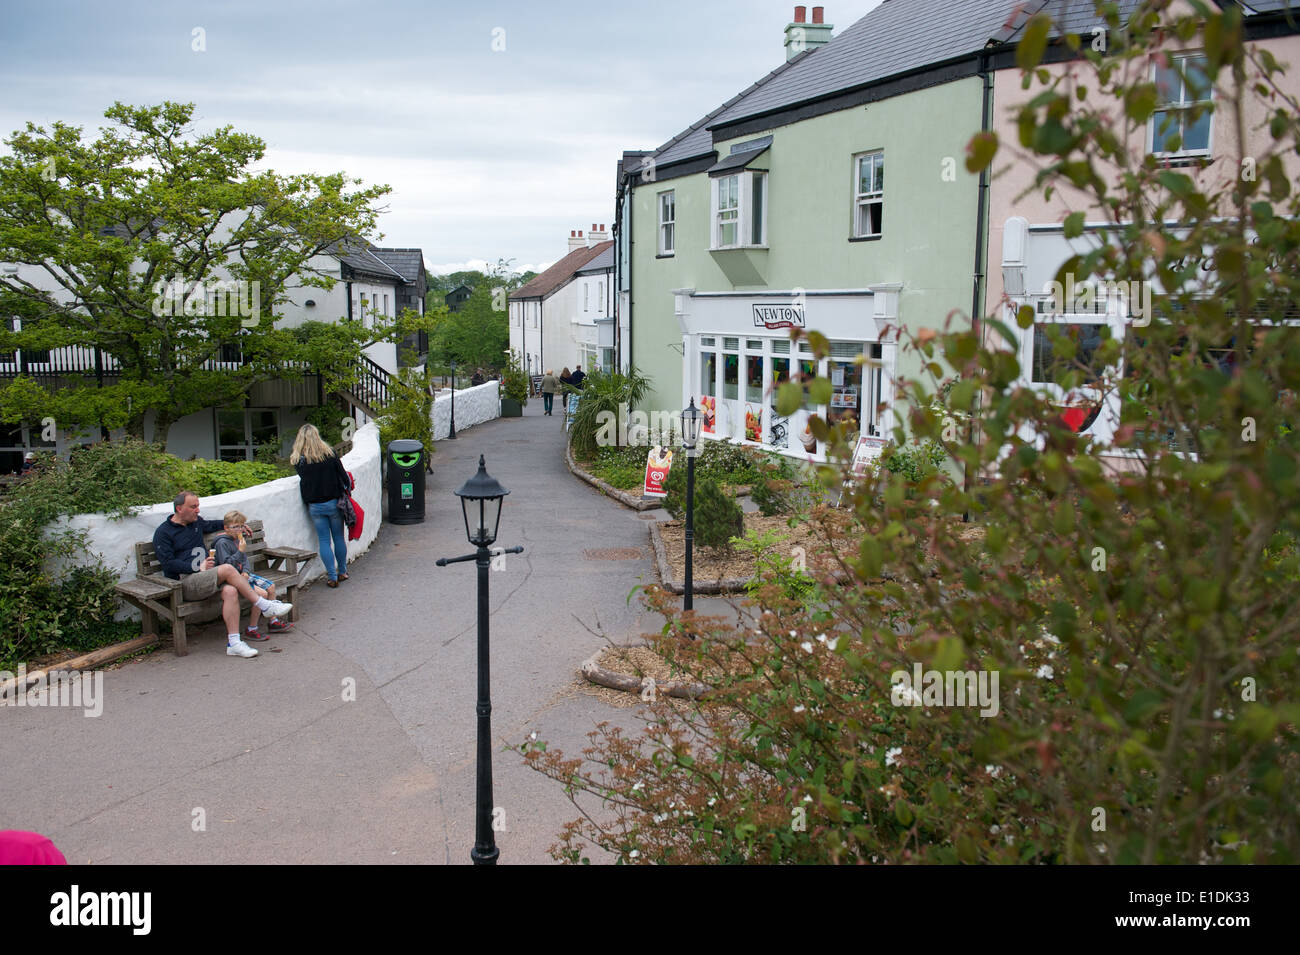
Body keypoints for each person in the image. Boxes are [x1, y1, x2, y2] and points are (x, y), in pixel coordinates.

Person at [153, 491, 293, 659]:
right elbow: (168, 563)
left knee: (230, 591)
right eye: (193, 507)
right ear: (179, 508)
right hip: (185, 582)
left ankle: (234, 644)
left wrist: (240, 525)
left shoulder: (195, 523)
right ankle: (264, 605)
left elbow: (215, 524)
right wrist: (197, 568)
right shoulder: (164, 532)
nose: (198, 510)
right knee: (226, 568)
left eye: (198, 506)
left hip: (206, 578)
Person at [213, 509, 293, 642]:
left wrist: (246, 571)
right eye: (235, 527)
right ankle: (251, 629)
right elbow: (226, 564)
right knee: (262, 594)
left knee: (271, 587)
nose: (239, 530)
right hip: (231, 579)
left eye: (241, 526)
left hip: (243, 575)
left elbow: (244, 560)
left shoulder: (238, 539)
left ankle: (273, 622)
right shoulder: (222, 543)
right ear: (226, 528)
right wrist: (240, 551)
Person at [291, 423, 350, 588]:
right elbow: (344, 477)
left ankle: (332, 576)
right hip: (333, 502)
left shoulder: (299, 461)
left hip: (315, 506)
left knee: (324, 540)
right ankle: (343, 571)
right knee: (338, 537)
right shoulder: (330, 455)